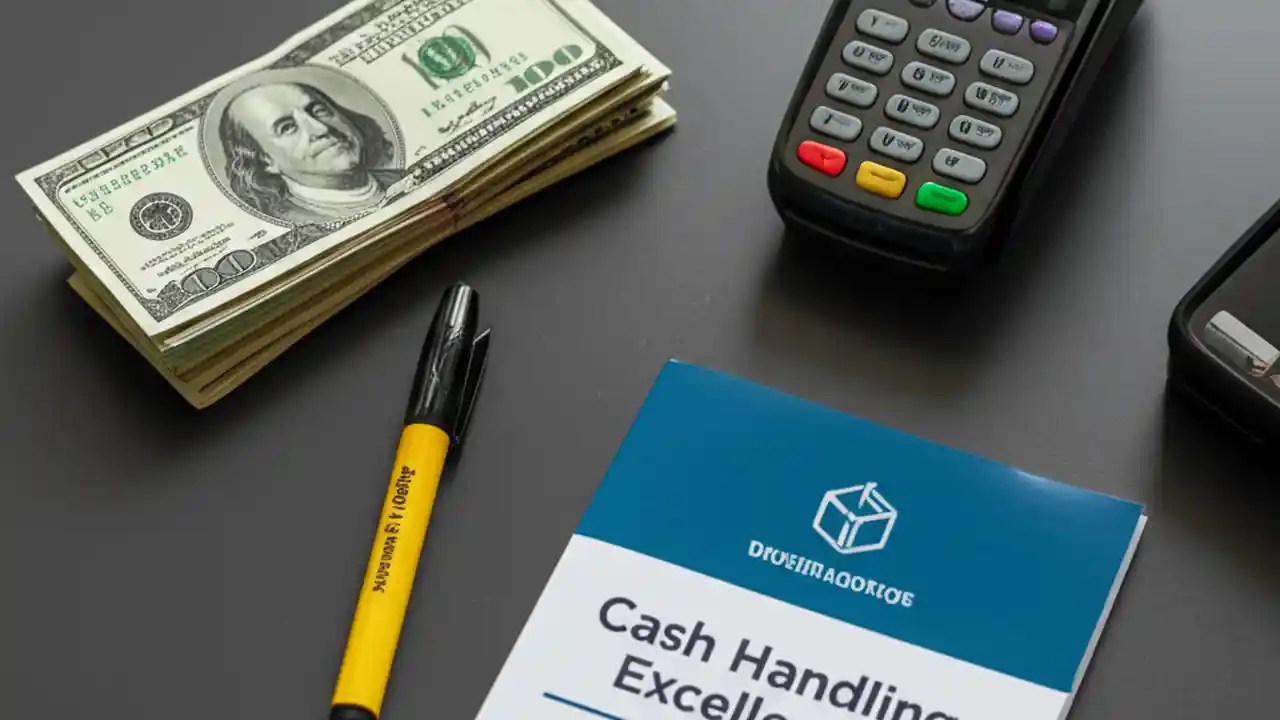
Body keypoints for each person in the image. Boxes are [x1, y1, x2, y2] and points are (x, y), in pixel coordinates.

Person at [218, 81, 403, 224]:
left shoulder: (405, 179)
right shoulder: (296, 221)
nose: (321, 128)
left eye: (319, 111)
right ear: (266, 160)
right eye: (287, 128)